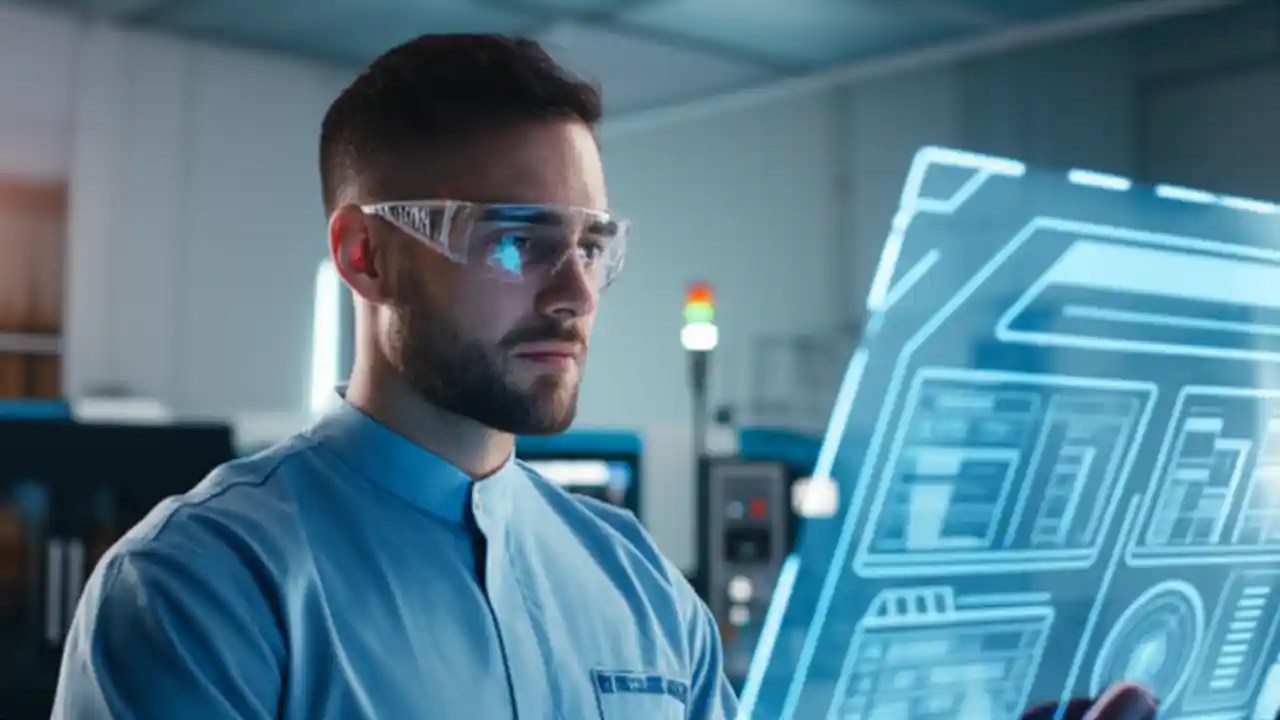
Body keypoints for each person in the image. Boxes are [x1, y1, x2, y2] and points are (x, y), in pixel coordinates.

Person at [50, 31, 1161, 720]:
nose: (575, 291)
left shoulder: (632, 584)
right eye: (514, 240)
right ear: (365, 256)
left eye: (590, 243)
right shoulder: (204, 591)